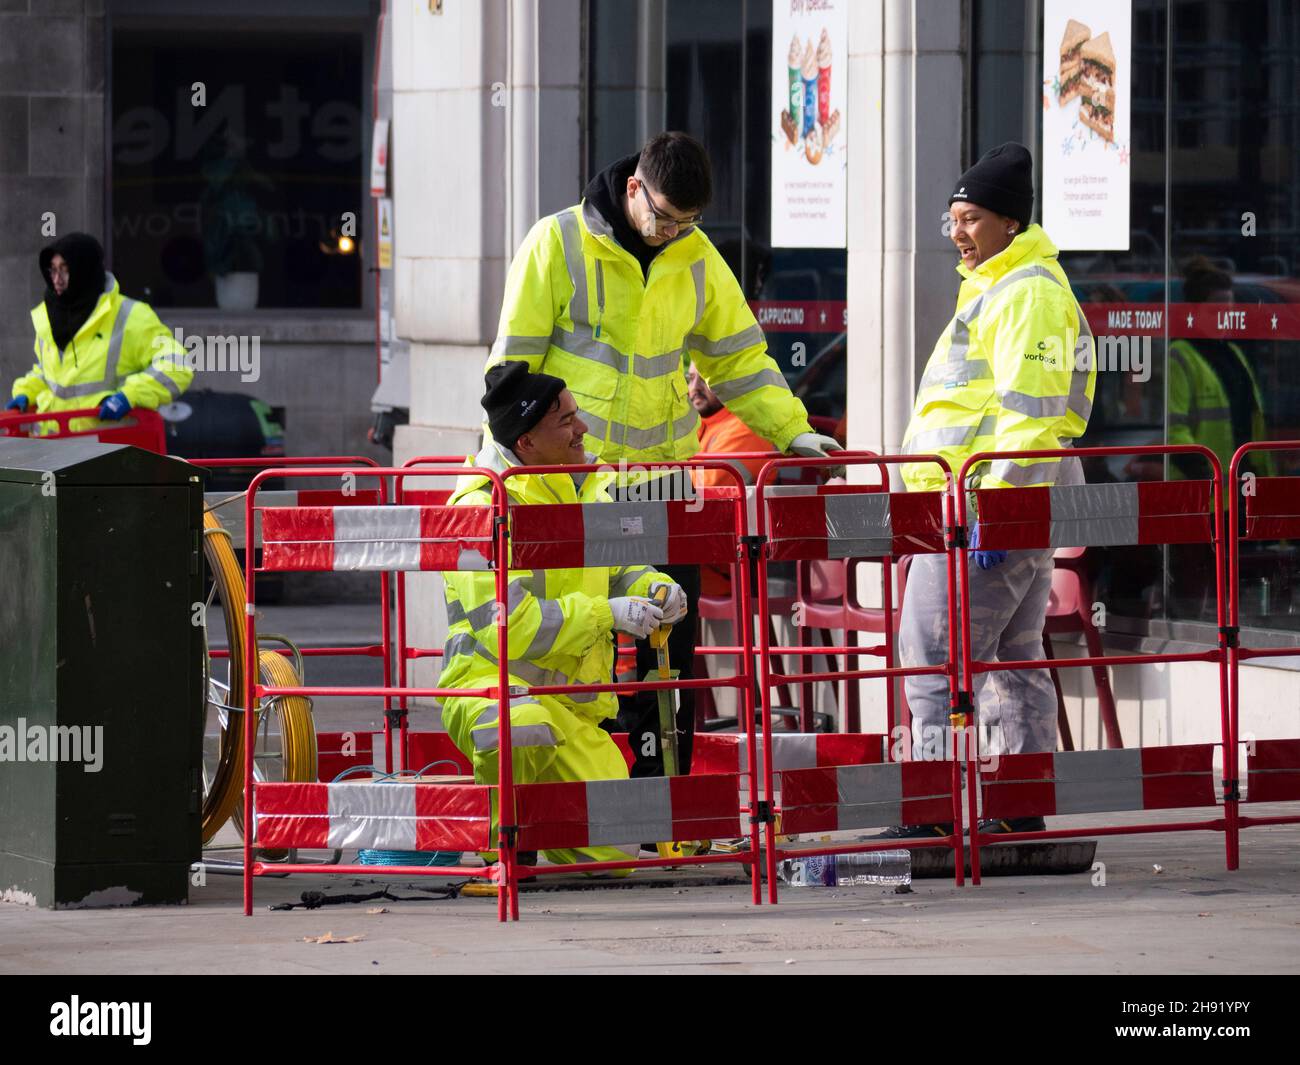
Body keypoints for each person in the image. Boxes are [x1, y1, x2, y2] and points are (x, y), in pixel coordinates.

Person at [484, 131, 838, 778]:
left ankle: (664, 803)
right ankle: (562, 795)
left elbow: (737, 359)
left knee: (667, 645)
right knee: (573, 641)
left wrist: (792, 430)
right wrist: (500, 472)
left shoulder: (695, 255)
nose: (673, 232)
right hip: (576, 489)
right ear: (633, 189)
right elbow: (510, 371)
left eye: (689, 222)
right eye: (665, 217)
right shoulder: (556, 243)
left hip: (662, 487)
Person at [887, 142, 1096, 838]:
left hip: (978, 515)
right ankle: (1019, 806)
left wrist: (996, 512)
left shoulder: (1028, 294)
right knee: (1012, 656)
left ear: (1010, 221)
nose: (958, 233)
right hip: (978, 512)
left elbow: (1031, 419)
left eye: (972, 218)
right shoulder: (1003, 289)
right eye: (953, 218)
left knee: (933, 661)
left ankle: (934, 808)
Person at [437, 362, 688, 868]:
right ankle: (505, 848)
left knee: (616, 848)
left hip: (571, 707)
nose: (583, 429)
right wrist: (606, 615)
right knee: (522, 725)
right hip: (492, 689)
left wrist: (656, 587)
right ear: (526, 443)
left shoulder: (584, 484)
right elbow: (518, 629)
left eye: (577, 414)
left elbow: (620, 570)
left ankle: (534, 828)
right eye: (566, 421)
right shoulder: (482, 506)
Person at [6, 233, 191, 432]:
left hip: (108, 453)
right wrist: (26, 392)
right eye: (53, 270)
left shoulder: (131, 316)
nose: (57, 280)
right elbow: (50, 374)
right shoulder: (48, 318)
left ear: (83, 271)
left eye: (65, 270)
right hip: (53, 451)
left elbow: (177, 365)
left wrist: (131, 395)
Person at [688, 360, 777, 596]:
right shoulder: (701, 425)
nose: (694, 387)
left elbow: (703, 493)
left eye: (704, 379)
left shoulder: (747, 426)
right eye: (690, 379)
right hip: (706, 557)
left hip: (731, 568)